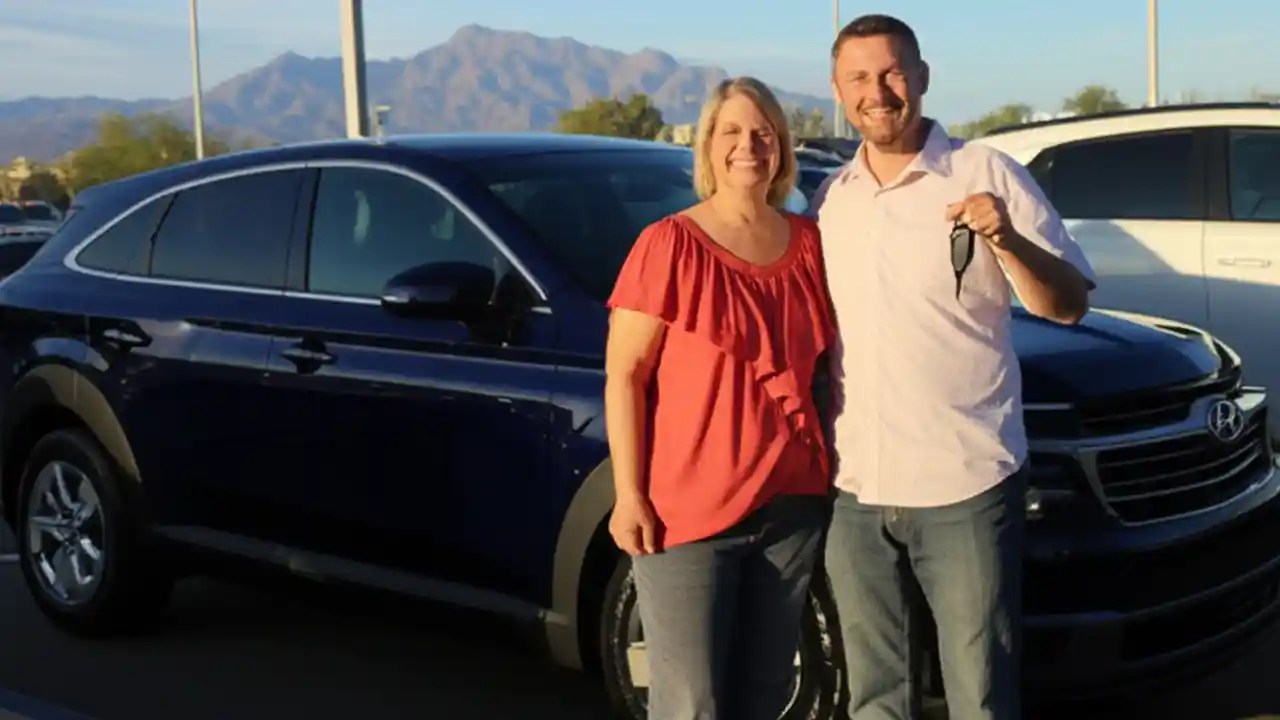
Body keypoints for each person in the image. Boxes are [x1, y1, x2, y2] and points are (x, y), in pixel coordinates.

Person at [810, 14, 1097, 720]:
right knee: (876, 697)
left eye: (892, 72)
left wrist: (1008, 240)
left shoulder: (985, 172)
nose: (878, 91)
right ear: (838, 93)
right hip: (856, 491)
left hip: (966, 485)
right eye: (859, 78)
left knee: (981, 694)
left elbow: (1067, 307)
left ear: (923, 77)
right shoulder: (830, 201)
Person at [603, 76, 836, 719]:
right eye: (731, 131)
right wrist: (629, 496)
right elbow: (625, 375)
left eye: (763, 132)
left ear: (782, 147)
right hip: (686, 513)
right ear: (707, 146)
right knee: (691, 703)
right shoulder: (669, 244)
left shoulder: (811, 246)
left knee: (763, 697)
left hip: (791, 505)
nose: (748, 145)